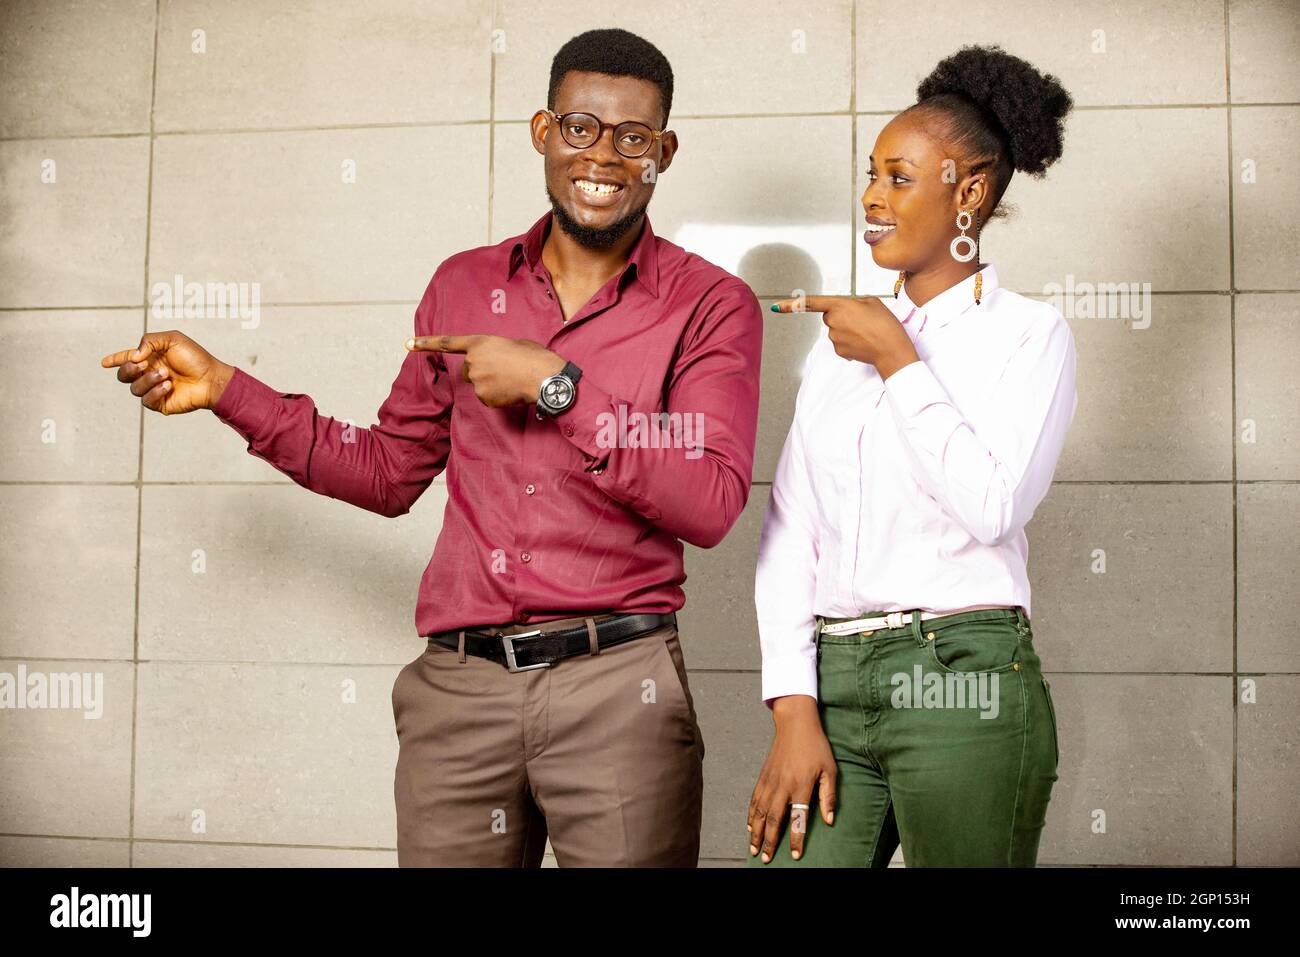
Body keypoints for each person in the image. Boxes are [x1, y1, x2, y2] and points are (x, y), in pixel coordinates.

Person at [100, 28, 763, 867]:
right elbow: (385, 471)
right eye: (580, 128)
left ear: (663, 151)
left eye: (634, 138)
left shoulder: (711, 304)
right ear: (541, 132)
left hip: (618, 687)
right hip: (460, 691)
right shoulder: (462, 283)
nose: (603, 156)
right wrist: (231, 387)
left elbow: (707, 502)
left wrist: (557, 387)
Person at [748, 44, 1077, 867]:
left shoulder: (1029, 335)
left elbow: (993, 504)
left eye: (898, 177)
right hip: (833, 678)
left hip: (962, 672)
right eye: (870, 174)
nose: (871, 196)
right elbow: (791, 530)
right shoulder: (835, 347)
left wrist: (899, 359)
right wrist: (793, 703)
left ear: (967, 192)